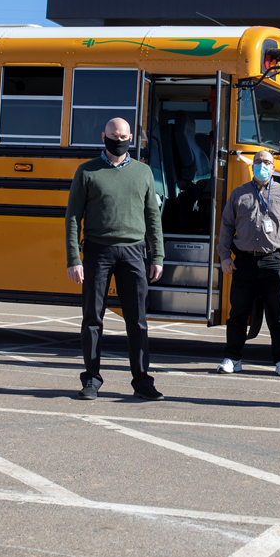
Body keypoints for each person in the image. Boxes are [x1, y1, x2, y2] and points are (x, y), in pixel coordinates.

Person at [66, 117, 165, 401]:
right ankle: (92, 379)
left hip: (134, 252)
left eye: (123, 136)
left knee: (137, 320)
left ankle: (142, 380)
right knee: (92, 318)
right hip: (98, 250)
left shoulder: (144, 172)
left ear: (131, 137)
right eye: (113, 135)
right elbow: (73, 217)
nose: (118, 141)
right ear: (103, 136)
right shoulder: (87, 172)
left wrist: (156, 255)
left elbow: (152, 217)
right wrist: (74, 257)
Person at [216, 149, 280, 376]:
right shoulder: (239, 194)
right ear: (252, 166)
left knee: (279, 315)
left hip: (274, 261)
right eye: (258, 162)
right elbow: (226, 226)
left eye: (266, 162)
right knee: (238, 313)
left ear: (274, 167)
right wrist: (224, 256)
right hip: (244, 262)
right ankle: (232, 357)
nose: (262, 165)